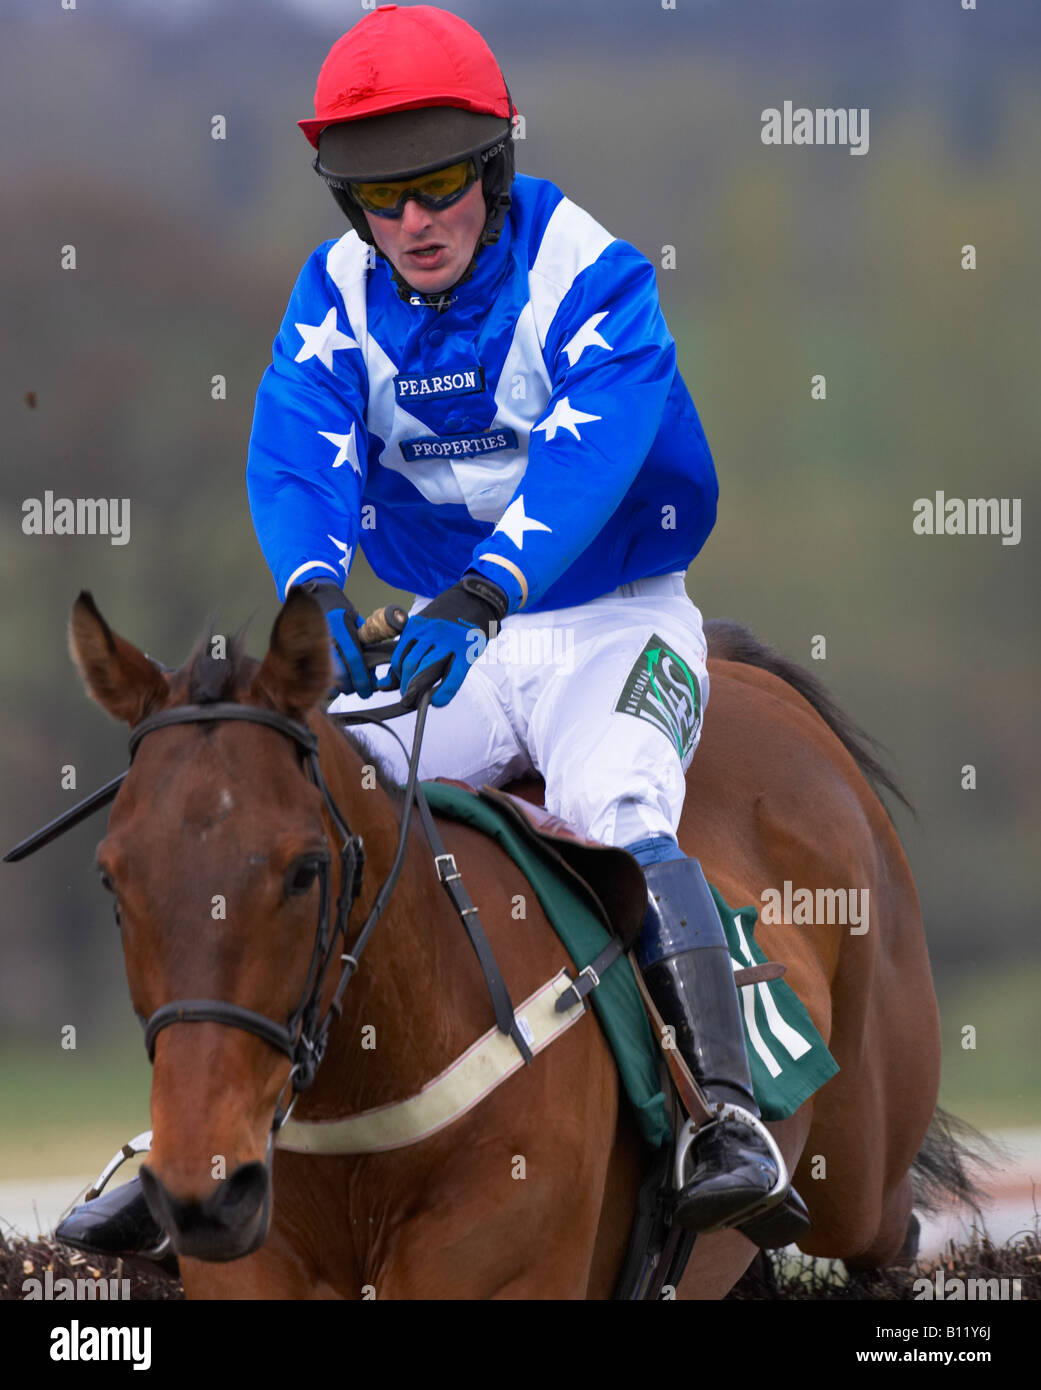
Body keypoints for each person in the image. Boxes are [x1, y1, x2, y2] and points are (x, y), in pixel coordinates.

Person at [57, 3, 785, 1261]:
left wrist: (487, 592)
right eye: (382, 196)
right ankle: (188, 1137)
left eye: (441, 184)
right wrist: (319, 596)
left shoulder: (590, 272)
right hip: (450, 633)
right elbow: (294, 447)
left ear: (492, 168)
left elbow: (593, 456)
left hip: (608, 619)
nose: (414, 222)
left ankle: (722, 1118)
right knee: (284, 817)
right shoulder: (336, 293)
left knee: (616, 805)